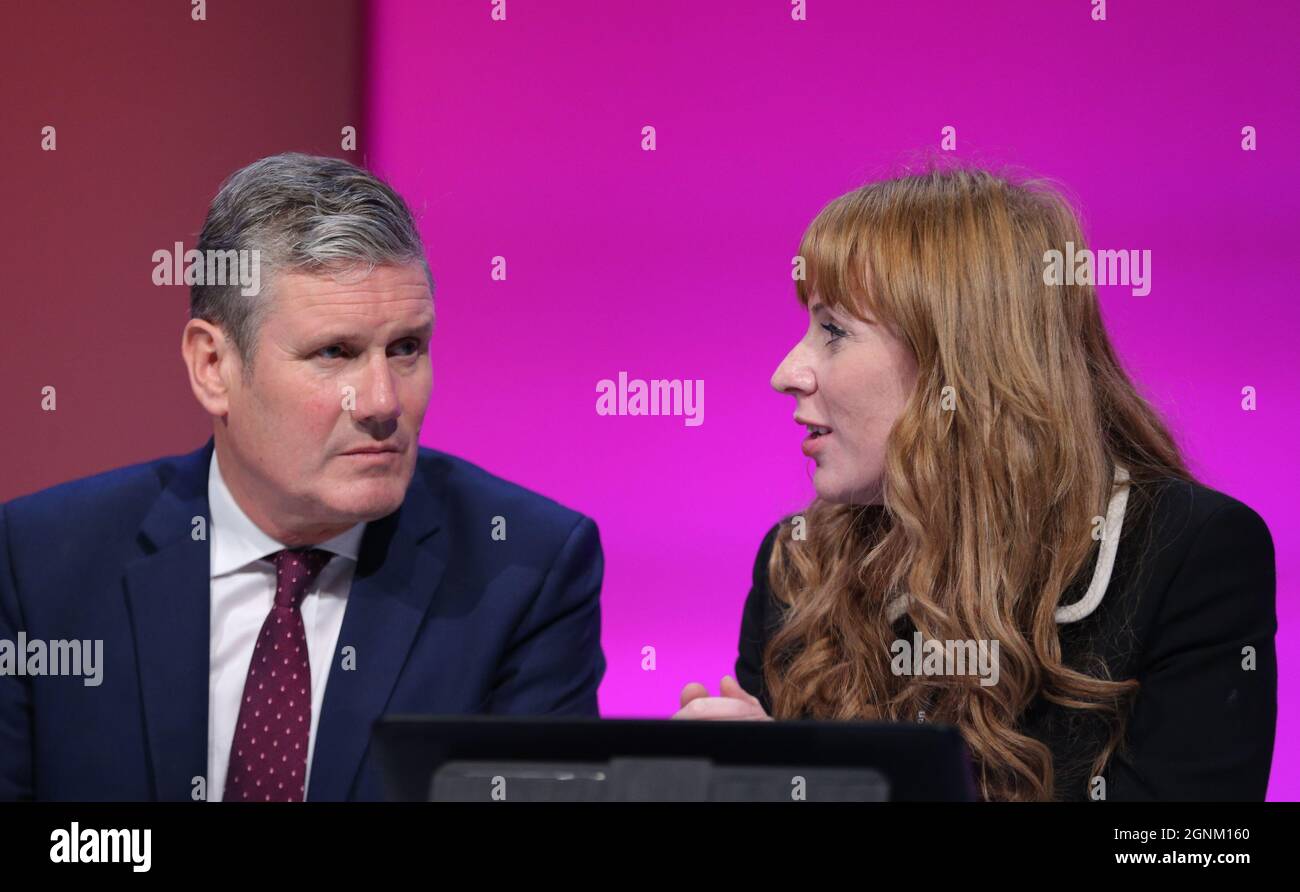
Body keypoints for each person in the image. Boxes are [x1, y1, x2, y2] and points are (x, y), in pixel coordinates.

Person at [0, 153, 605, 802]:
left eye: (406, 348)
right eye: (334, 353)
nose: (381, 402)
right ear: (212, 366)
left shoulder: (522, 570)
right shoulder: (40, 564)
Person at [675, 167, 1277, 802]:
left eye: (834, 331)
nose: (786, 372)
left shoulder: (1188, 551)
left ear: (958, 360)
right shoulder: (793, 561)